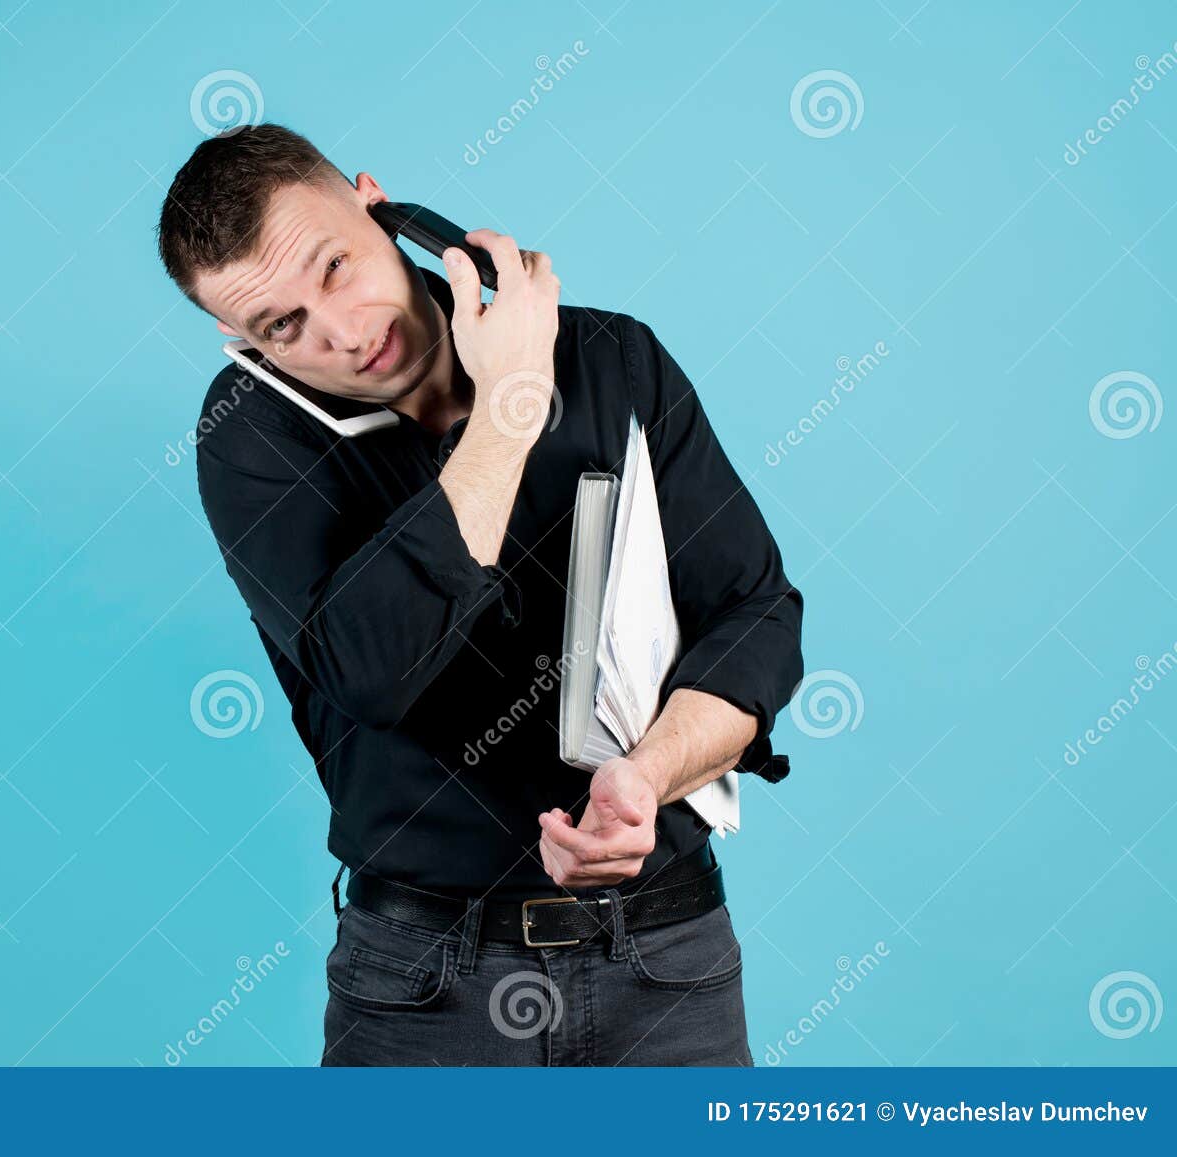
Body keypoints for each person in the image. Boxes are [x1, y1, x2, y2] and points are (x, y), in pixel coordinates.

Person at [156, 124, 804, 1066]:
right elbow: (374, 670)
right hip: (423, 983)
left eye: (335, 267)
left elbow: (756, 617)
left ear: (377, 205)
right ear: (240, 339)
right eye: (282, 325)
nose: (345, 334)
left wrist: (648, 776)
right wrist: (507, 407)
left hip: (667, 960)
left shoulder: (614, 358)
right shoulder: (250, 436)